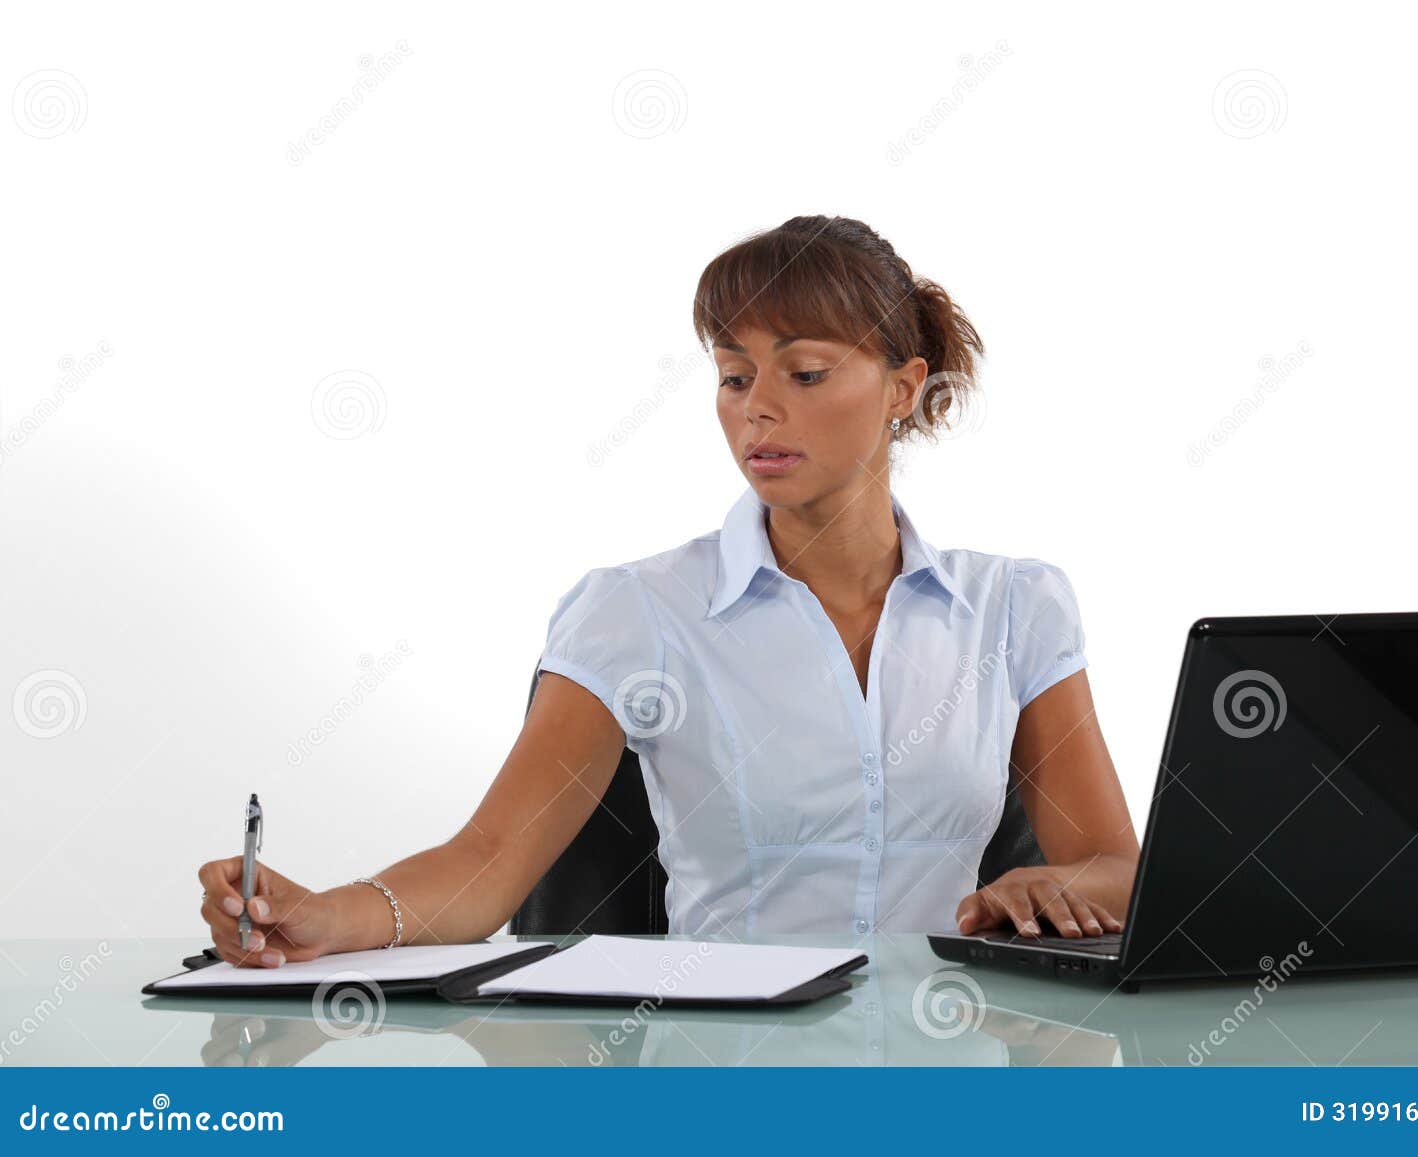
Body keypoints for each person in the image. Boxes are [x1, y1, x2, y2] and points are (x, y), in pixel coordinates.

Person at [196, 215, 1140, 966]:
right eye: (734, 376)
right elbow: (485, 865)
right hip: (722, 1072)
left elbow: (1117, 867)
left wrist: (1064, 888)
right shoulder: (638, 614)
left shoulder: (1014, 608)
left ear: (904, 388)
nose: (757, 406)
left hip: (950, 1075)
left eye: (805, 372)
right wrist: (326, 916)